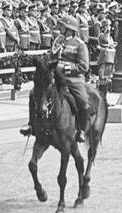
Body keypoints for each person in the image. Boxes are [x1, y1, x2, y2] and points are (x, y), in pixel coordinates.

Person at [19, 14, 91, 142]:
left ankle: (81, 130)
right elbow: (53, 56)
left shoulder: (80, 45)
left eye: (63, 26)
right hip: (56, 78)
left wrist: (64, 67)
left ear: (69, 28)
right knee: (34, 94)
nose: (60, 28)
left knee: (83, 101)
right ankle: (32, 125)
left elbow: (83, 67)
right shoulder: (58, 40)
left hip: (73, 79)